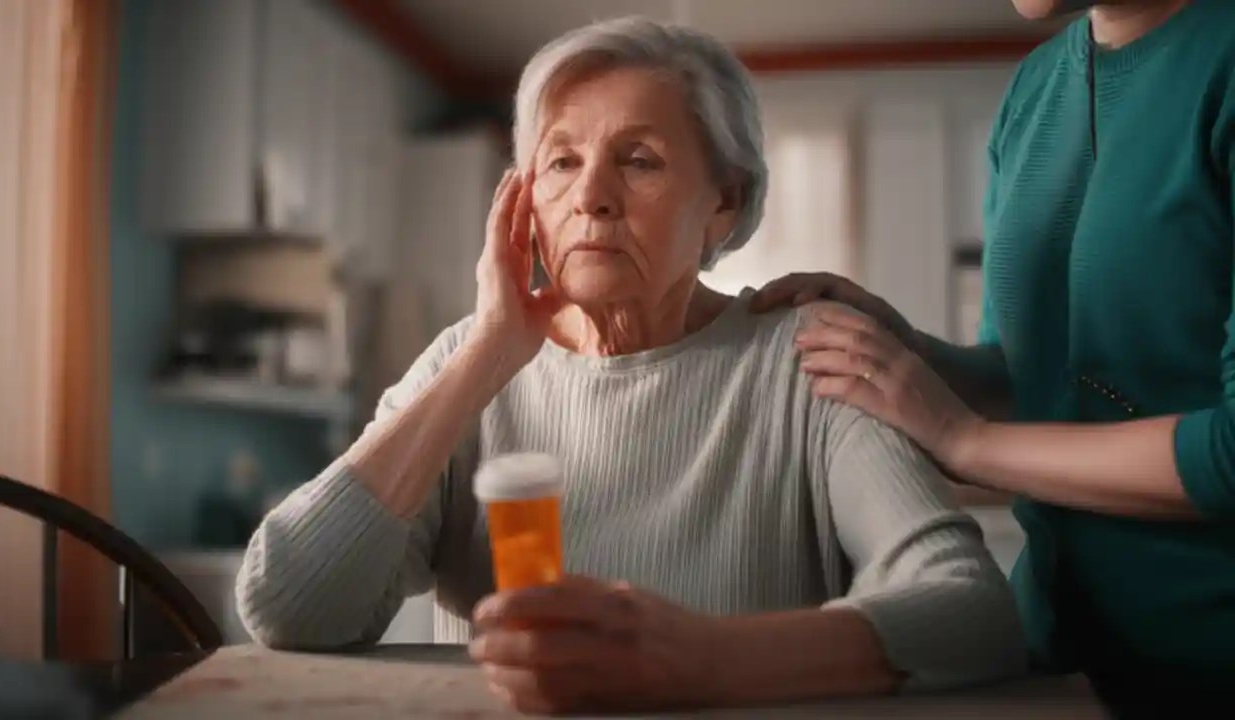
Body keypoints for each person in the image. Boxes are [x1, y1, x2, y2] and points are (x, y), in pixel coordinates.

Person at [235, 16, 1027, 715]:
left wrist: (702, 663)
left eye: (638, 160)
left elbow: (968, 611)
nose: (593, 197)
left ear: (724, 199)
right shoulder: (464, 365)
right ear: (524, 202)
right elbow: (287, 605)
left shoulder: (807, 357)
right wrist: (486, 355)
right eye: (561, 163)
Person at [749, 0, 1234, 703]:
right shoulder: (1034, 89)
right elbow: (1026, 376)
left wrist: (965, 441)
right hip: (1047, 654)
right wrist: (904, 349)